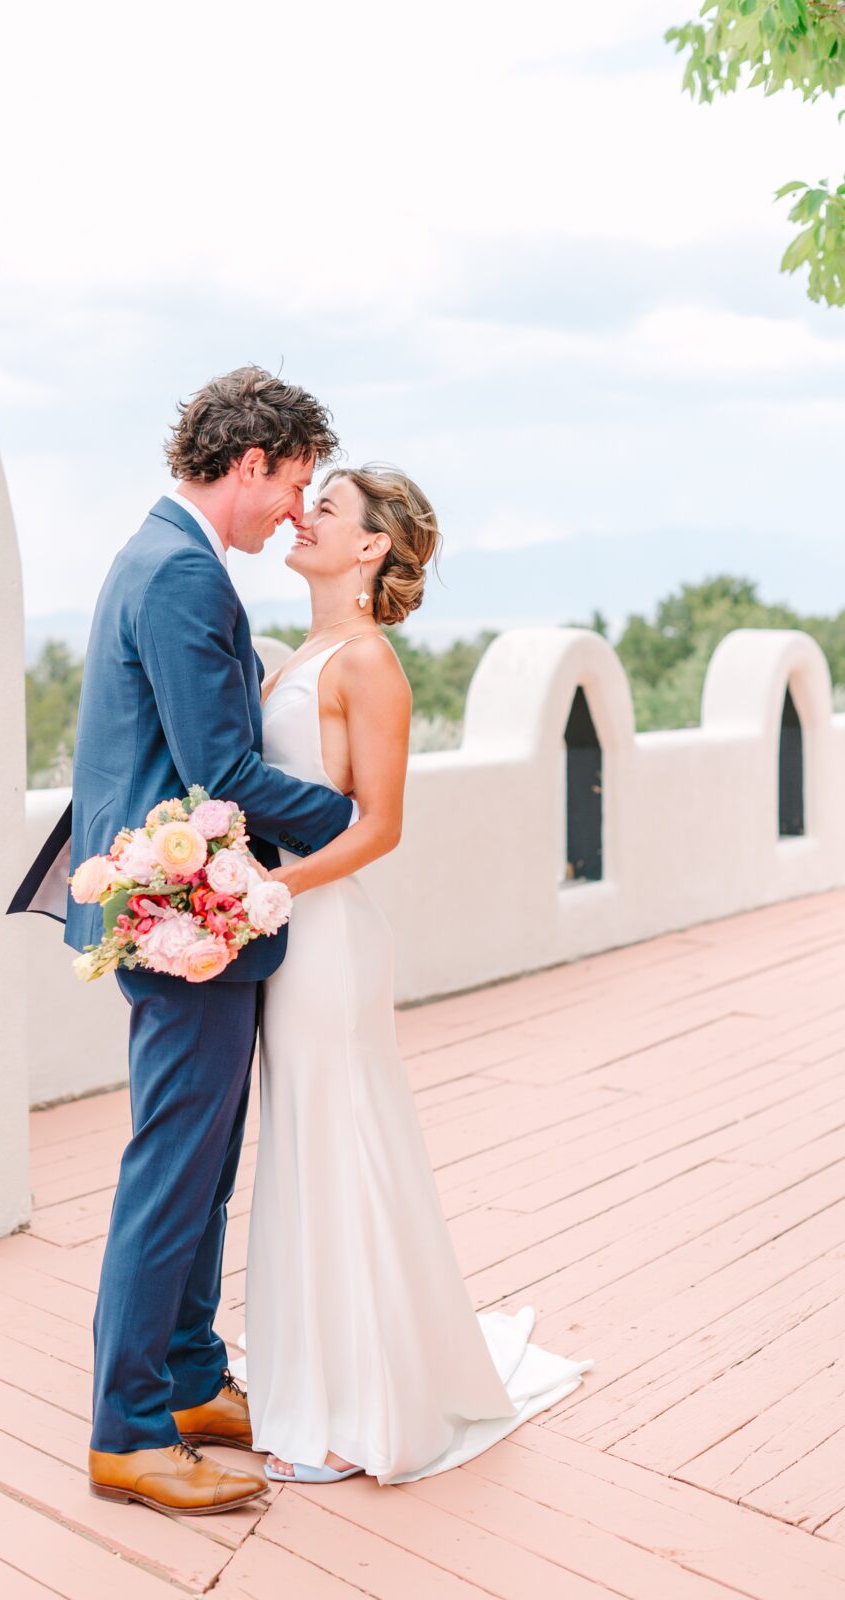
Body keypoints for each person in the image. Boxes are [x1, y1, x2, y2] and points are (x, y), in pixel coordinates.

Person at [9, 366, 358, 1516]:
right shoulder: (175, 573)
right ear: (251, 461)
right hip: (178, 917)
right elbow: (222, 772)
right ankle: (127, 1429)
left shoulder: (173, 560)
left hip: (186, 908)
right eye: (294, 484)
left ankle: (196, 1380)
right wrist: (358, 817)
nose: (296, 513)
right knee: (171, 1170)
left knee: (203, 1168)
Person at [240, 465, 593, 1485]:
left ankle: (366, 1400)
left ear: (368, 551)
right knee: (305, 1141)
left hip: (325, 934)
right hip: (288, 924)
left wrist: (277, 889)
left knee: (339, 1137)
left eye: (329, 507)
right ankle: (317, 1371)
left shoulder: (368, 663)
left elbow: (381, 825)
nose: (304, 514)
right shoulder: (305, 650)